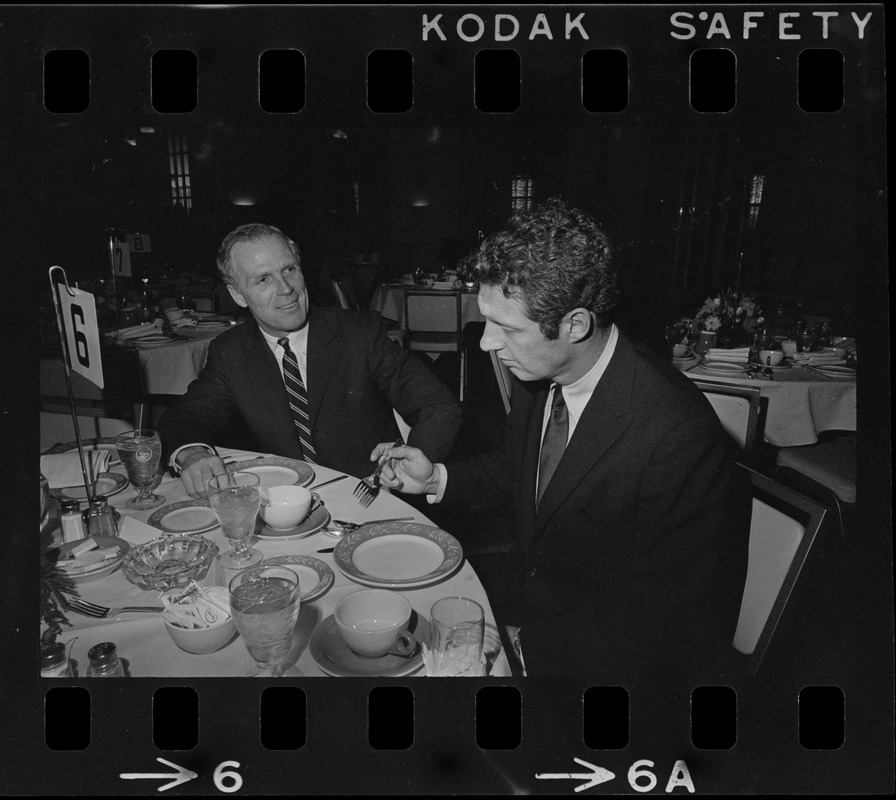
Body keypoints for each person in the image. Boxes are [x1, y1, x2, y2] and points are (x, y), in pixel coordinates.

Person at [372, 198, 749, 683]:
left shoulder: (677, 434)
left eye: (506, 327)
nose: (485, 342)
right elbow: (518, 468)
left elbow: (665, 623)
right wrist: (436, 477)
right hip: (540, 615)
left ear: (575, 324)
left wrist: (524, 651)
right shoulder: (540, 373)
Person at [158, 223, 462, 498]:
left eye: (289, 269)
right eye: (263, 279)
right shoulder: (232, 351)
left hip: (370, 496)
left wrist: (410, 464)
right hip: (283, 502)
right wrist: (193, 453)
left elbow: (438, 406)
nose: (286, 288)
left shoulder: (358, 333)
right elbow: (187, 415)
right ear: (238, 295)